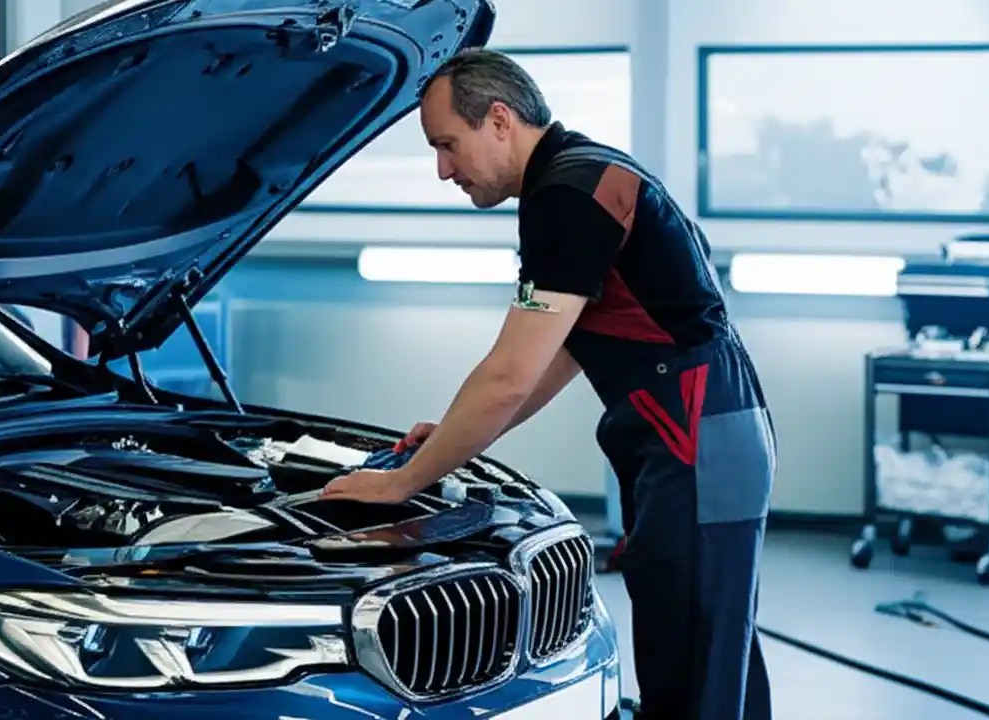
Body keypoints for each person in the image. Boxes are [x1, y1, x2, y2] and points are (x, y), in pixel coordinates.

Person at [319, 48, 776, 720]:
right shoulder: (585, 175)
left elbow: (510, 374)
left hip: (697, 441)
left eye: (447, 145)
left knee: (691, 670)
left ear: (499, 120)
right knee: (715, 659)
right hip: (709, 435)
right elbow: (557, 358)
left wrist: (398, 485)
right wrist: (449, 440)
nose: (443, 170)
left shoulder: (568, 193)